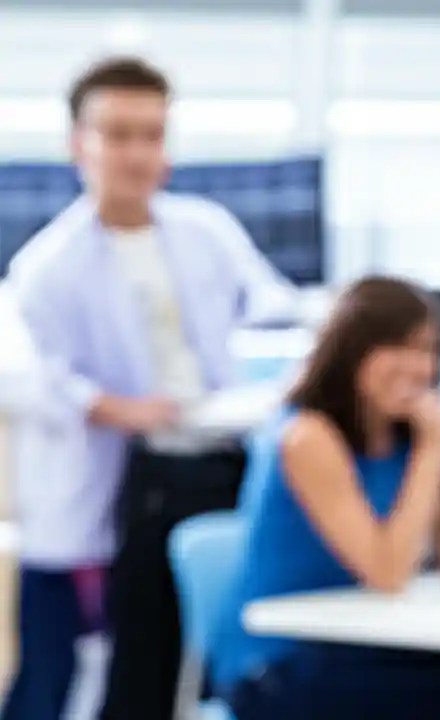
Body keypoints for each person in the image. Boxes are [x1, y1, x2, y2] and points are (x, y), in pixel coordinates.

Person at [3, 57, 295, 720]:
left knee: (187, 661)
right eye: (119, 133)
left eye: (153, 134)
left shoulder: (206, 231)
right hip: (117, 484)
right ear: (79, 143)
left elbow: (271, 308)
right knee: (83, 672)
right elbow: (35, 379)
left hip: (217, 458)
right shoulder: (46, 266)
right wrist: (112, 408)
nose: (139, 153)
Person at [212, 276, 440, 720]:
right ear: (352, 351)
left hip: (366, 643)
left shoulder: (411, 435)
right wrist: (429, 454)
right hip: (280, 661)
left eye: (426, 349)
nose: (417, 366)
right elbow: (388, 571)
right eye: (396, 347)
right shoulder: (308, 436)